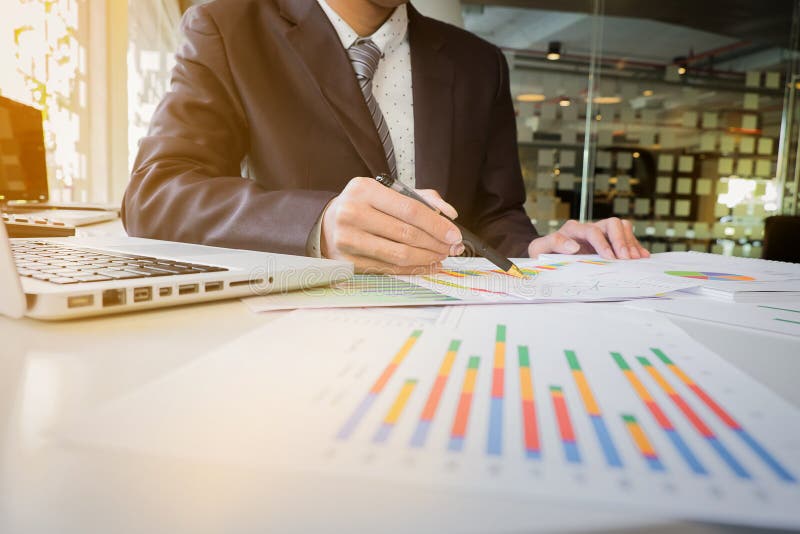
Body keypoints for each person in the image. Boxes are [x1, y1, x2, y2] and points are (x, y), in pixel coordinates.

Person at [122, 0, 649, 274]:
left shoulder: (478, 63)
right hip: (297, 340)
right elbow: (155, 194)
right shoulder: (228, 28)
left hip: (454, 339)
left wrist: (542, 249)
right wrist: (318, 223)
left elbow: (495, 215)